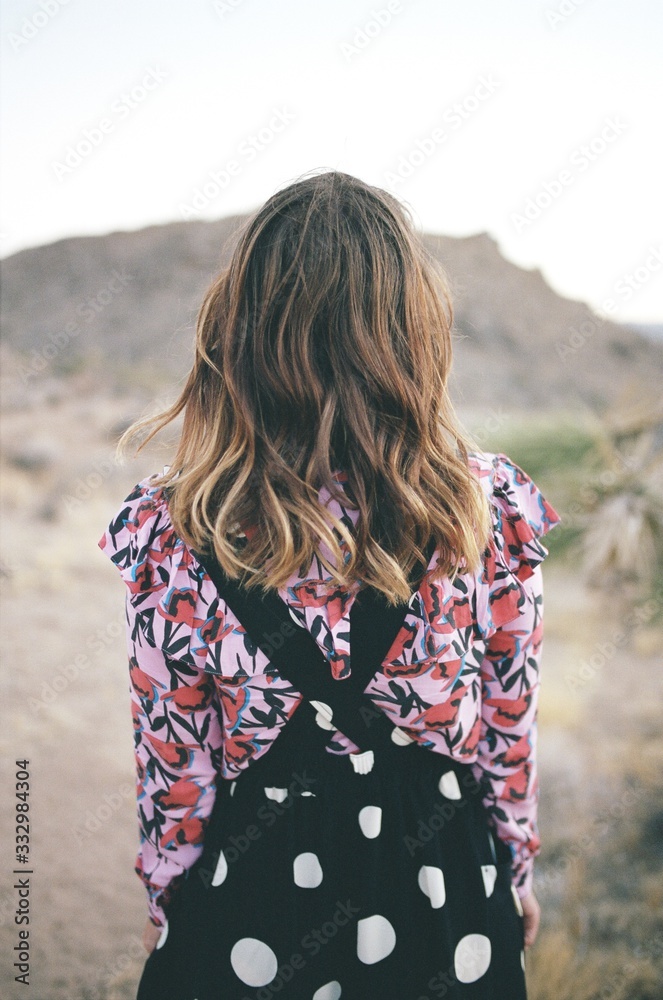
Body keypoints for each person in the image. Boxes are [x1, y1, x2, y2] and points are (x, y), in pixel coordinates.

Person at [98, 170, 560, 1000]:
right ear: (415, 329)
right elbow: (506, 723)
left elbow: (172, 752)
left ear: (240, 331)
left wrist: (168, 894)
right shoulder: (484, 509)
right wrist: (515, 867)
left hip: (257, 894)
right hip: (444, 885)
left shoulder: (179, 529)